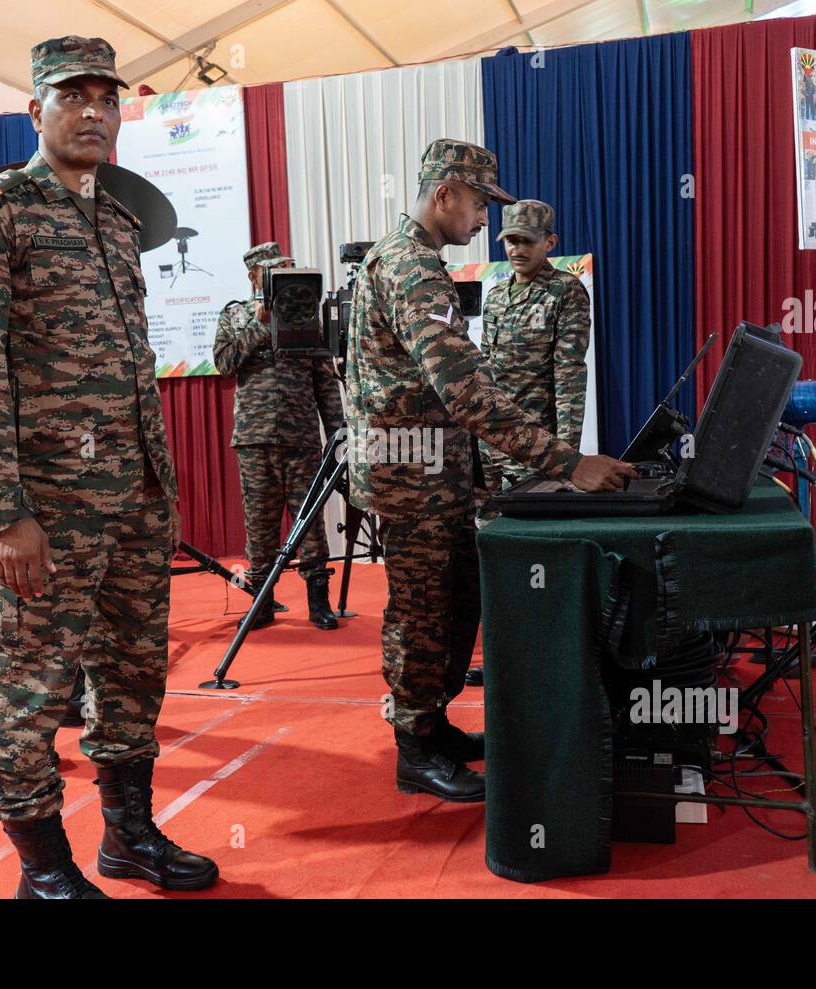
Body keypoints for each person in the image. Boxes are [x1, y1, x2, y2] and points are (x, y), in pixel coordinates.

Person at [0, 35, 217, 899]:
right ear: (36, 110)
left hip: (133, 499)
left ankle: (128, 836)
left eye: (108, 96)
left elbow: (133, 366)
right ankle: (44, 868)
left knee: (133, 673)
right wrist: (4, 513)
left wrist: (159, 492)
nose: (95, 110)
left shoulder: (119, 219)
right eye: (74, 95)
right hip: (47, 509)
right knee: (30, 686)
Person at [346, 137, 635, 802]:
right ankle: (415, 746)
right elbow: (467, 392)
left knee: (456, 597)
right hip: (410, 472)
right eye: (479, 203)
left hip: (434, 467)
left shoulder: (411, 258)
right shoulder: (412, 269)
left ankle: (434, 724)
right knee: (422, 608)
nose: (485, 221)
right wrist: (569, 460)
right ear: (445, 194)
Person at [467, 198, 590, 688]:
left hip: (536, 448)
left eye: (526, 241)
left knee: (535, 553)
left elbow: (569, 373)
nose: (516, 249)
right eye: (510, 241)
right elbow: (488, 372)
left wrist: (566, 457)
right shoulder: (496, 297)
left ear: (550, 244)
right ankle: (502, 653)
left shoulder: (566, 292)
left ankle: (546, 654)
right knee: (494, 551)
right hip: (493, 444)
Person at [212, 244, 345, 631]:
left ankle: (318, 601)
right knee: (260, 523)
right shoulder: (235, 315)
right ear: (255, 276)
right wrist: (260, 322)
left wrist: (337, 433)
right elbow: (224, 364)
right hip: (253, 438)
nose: (279, 277)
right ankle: (262, 602)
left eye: (285, 270)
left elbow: (324, 382)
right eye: (272, 272)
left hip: (301, 436)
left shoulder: (306, 318)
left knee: (309, 522)